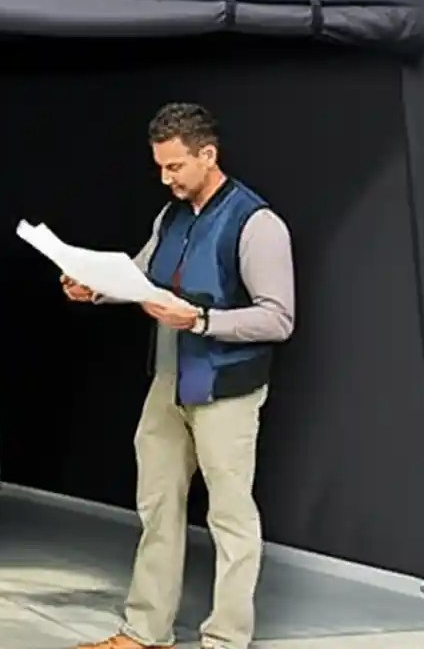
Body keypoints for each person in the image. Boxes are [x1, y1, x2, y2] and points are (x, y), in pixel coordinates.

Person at [63, 103, 295, 649]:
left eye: (175, 167)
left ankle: (225, 640)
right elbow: (141, 276)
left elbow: (279, 317)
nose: (165, 178)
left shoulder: (257, 224)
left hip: (227, 393)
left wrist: (202, 320)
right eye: (160, 167)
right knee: (158, 510)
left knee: (232, 521)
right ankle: (145, 633)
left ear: (207, 155)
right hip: (168, 385)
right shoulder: (169, 217)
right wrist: (94, 288)